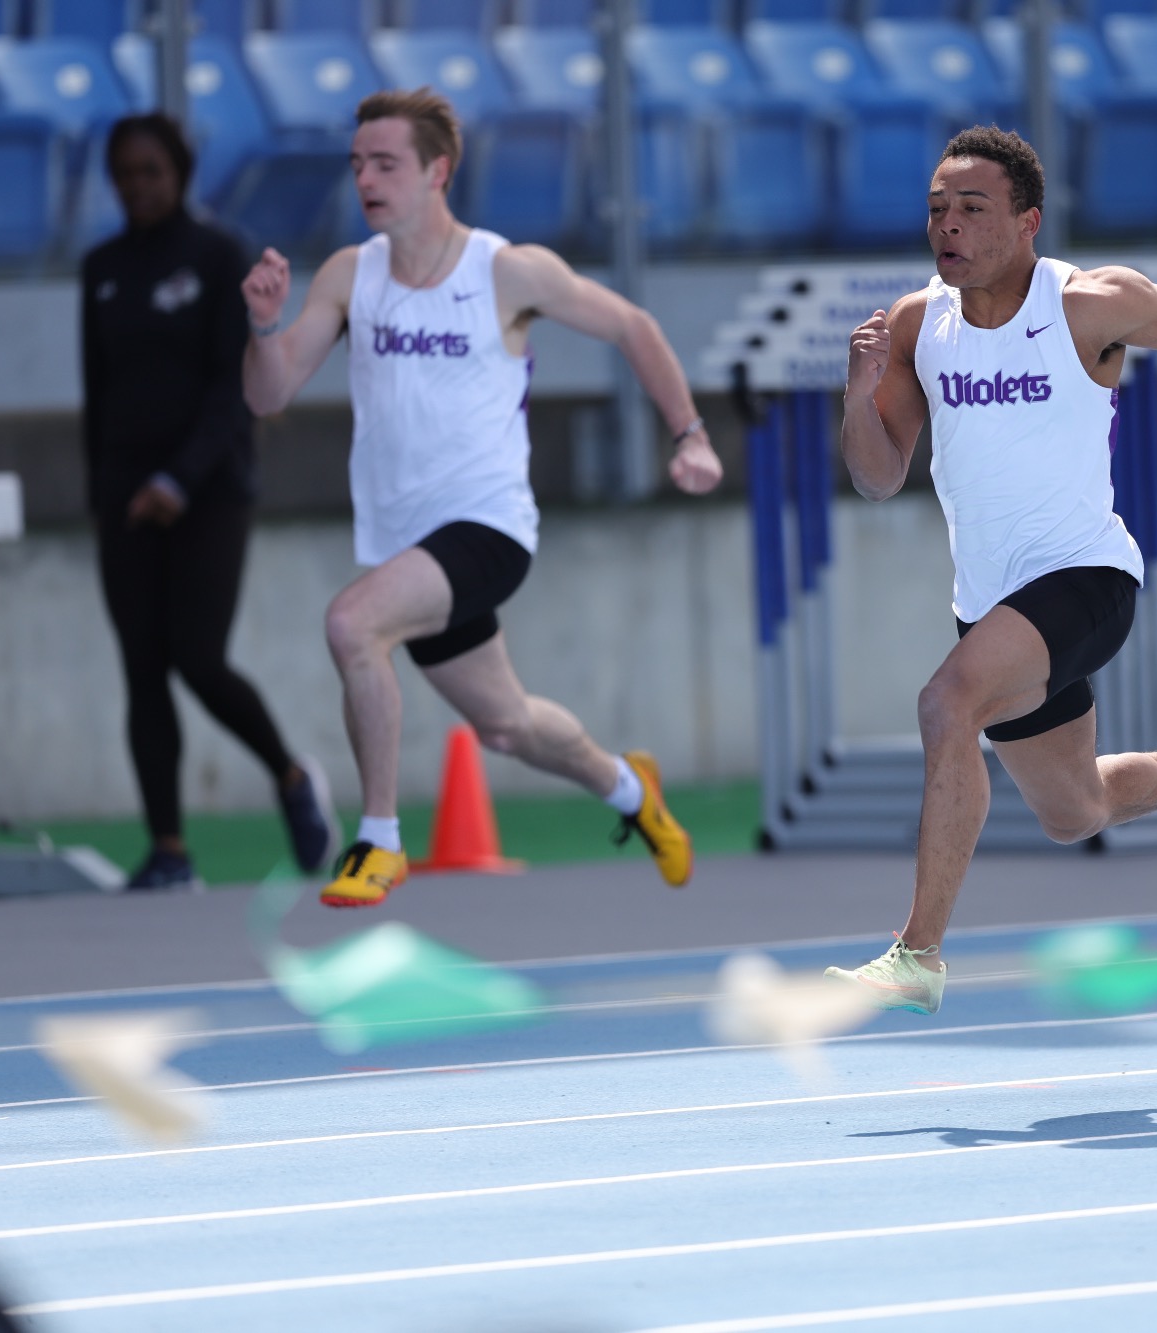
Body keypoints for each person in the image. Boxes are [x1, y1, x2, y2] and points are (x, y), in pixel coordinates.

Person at [821, 127, 1157, 1015]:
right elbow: (876, 477)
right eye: (937, 209)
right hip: (989, 606)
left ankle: (918, 954)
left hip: (1086, 578)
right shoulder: (914, 325)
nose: (947, 225)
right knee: (1075, 810)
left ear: (1028, 222)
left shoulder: (1087, 306)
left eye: (971, 208)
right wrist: (859, 395)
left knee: (946, 703)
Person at [240, 89, 721, 909]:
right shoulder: (351, 275)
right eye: (357, 164)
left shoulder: (505, 271)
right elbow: (269, 392)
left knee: (353, 625)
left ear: (438, 171)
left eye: (385, 163)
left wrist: (691, 434)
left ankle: (379, 841)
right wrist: (261, 328)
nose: (366, 179)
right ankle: (629, 788)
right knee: (508, 725)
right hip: (407, 545)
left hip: (488, 528)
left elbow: (633, 326)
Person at [81, 113, 335, 891]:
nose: (137, 186)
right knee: (141, 668)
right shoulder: (101, 268)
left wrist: (180, 480)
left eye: (151, 171)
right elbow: (98, 391)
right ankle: (169, 850)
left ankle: (291, 775)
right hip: (126, 499)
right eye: (124, 173)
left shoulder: (220, 255)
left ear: (181, 174)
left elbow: (236, 387)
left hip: (210, 491)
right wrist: (106, 492)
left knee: (197, 657)